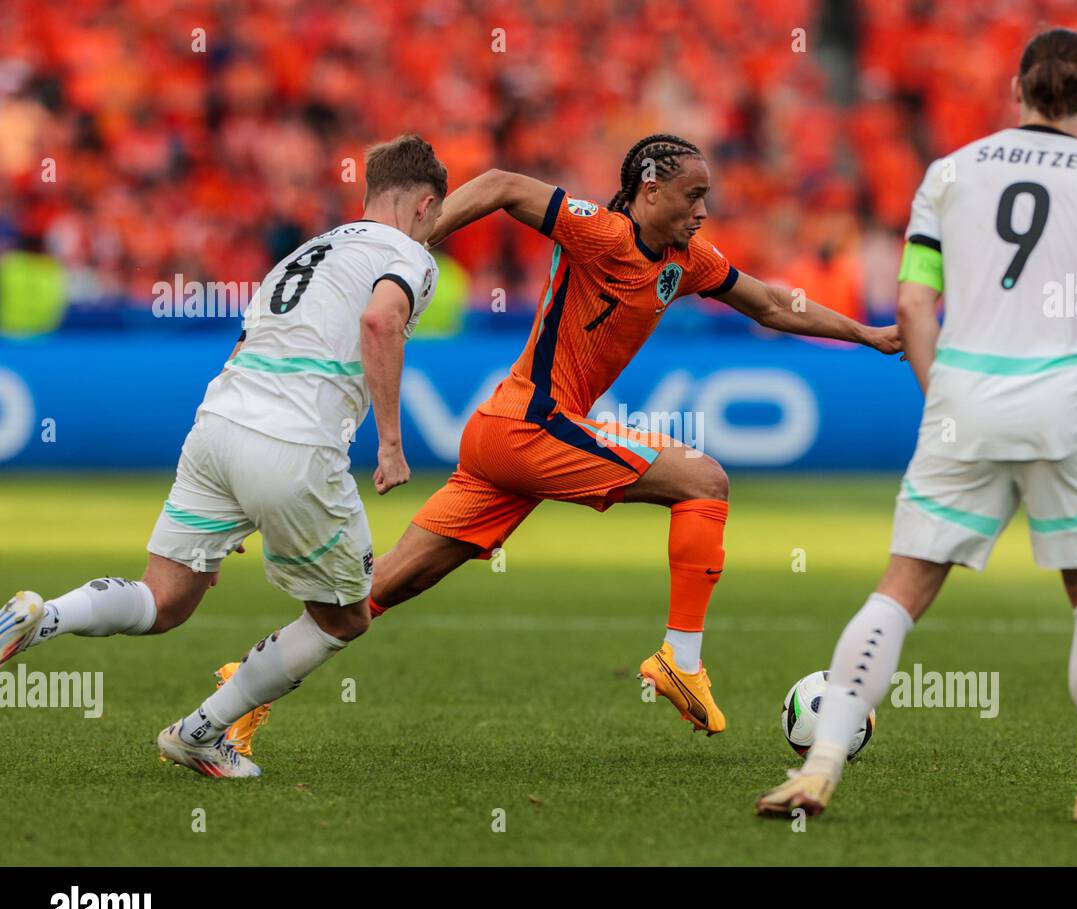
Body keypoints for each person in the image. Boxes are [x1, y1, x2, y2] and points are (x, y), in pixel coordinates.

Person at [756, 29, 1077, 824]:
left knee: (902, 589)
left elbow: (915, 302)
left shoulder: (949, 174)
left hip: (966, 399)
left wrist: (941, 392)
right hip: (1067, 408)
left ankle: (817, 771)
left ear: (1016, 87)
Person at [368, 133, 902, 736]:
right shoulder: (602, 233)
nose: (703, 212)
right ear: (649, 189)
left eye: (707, 197)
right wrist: (405, 247)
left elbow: (773, 306)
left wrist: (869, 334)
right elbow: (500, 184)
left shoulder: (686, 259)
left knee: (389, 583)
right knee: (703, 480)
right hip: (529, 425)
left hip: (515, 436)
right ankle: (682, 660)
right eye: (692, 195)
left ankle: (244, 687)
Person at [0, 133, 447, 778]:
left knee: (164, 601)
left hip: (218, 426)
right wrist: (391, 443)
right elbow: (380, 321)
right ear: (426, 205)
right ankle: (203, 730)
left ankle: (42, 616)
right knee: (344, 618)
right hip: (294, 445)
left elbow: (243, 349)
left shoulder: (307, 251)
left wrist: (239, 493)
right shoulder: (407, 253)